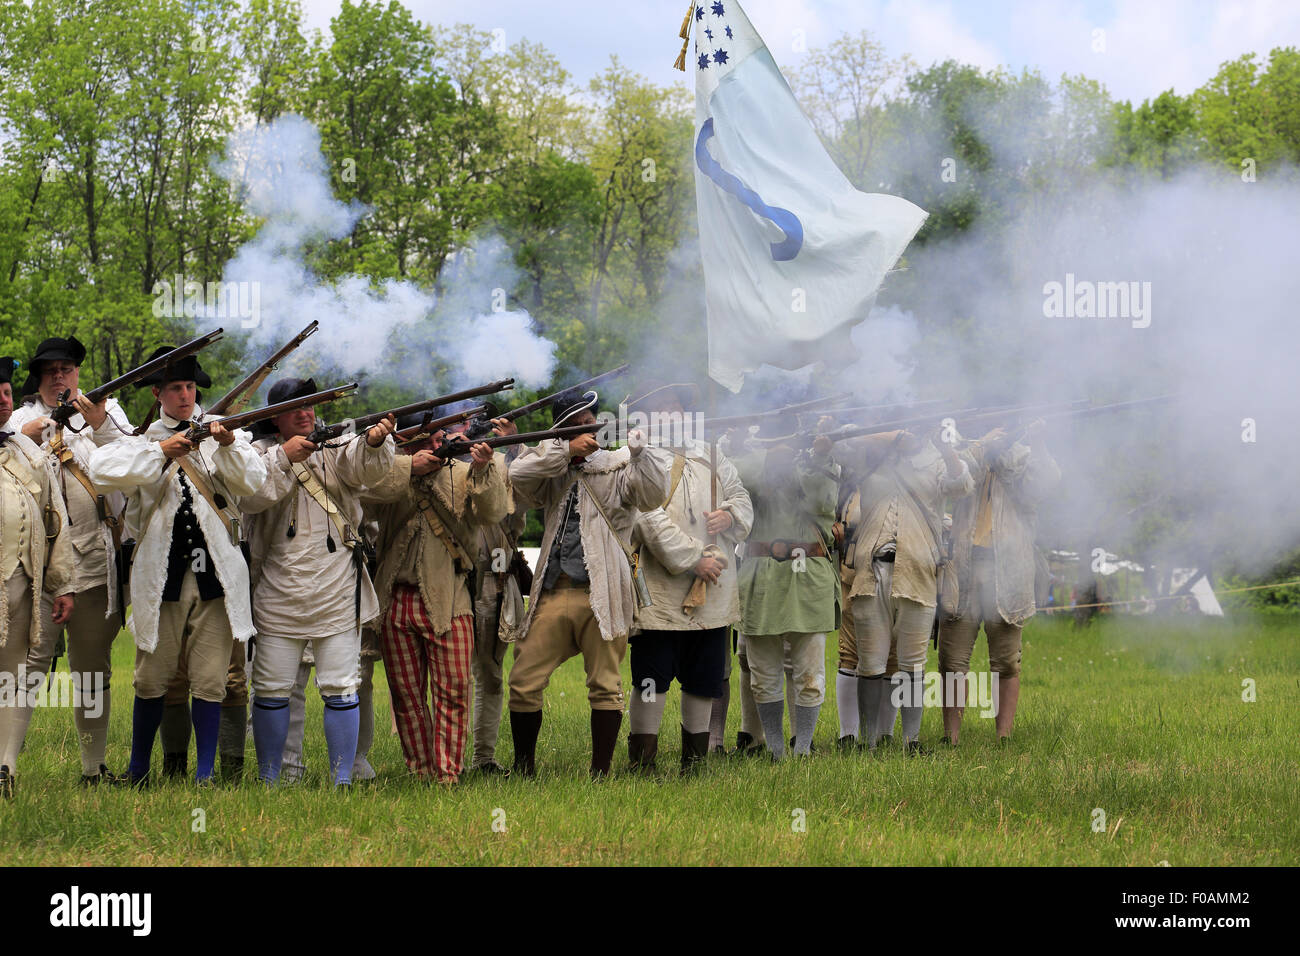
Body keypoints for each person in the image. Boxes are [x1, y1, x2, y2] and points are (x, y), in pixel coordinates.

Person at [88, 348, 266, 786]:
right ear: (158, 392)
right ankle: (138, 770)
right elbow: (102, 471)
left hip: (216, 579)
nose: (185, 395)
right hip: (160, 578)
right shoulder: (143, 441)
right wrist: (162, 451)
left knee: (210, 682)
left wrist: (224, 445)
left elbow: (254, 482)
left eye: (189, 387)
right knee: (151, 680)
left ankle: (204, 775)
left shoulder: (226, 436)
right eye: (175, 388)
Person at [239, 377, 395, 788]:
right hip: (277, 590)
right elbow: (252, 493)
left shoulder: (336, 445)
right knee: (272, 688)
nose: (307, 413)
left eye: (311, 406)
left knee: (343, 686)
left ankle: (342, 777)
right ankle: (273, 777)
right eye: (297, 408)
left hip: (336, 589)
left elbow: (363, 467)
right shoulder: (257, 454)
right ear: (275, 417)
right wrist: (284, 458)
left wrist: (375, 441)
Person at [506, 393, 667, 778]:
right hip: (554, 591)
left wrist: (641, 453)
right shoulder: (552, 466)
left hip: (605, 593)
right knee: (523, 680)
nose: (587, 431)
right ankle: (523, 769)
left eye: (589, 423)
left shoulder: (618, 464)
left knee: (605, 684)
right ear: (561, 434)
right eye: (576, 426)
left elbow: (651, 495)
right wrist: (564, 450)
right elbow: (516, 475)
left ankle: (601, 772)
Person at [8, 338, 134, 785]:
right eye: (50, 371)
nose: (59, 377)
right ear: (39, 379)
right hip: (40, 566)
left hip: (97, 560)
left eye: (66, 369)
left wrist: (97, 425)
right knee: (25, 665)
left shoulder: (106, 412)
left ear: (78, 373)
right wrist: (32, 434)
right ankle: (6, 765)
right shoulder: (20, 420)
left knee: (93, 666)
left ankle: (92, 767)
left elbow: (134, 465)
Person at [363, 418, 506, 785]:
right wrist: (410, 464)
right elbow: (369, 492)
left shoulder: (462, 472)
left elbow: (491, 513)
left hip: (451, 596)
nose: (430, 446)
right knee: (406, 694)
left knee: (454, 689)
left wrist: (483, 467)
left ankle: (447, 773)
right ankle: (421, 770)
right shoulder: (391, 468)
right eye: (418, 442)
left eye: (436, 439)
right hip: (396, 596)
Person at [625, 383, 752, 774]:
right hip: (661, 588)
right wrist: (695, 558)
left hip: (712, 590)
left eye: (676, 408)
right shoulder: (635, 458)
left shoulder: (712, 455)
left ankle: (693, 763)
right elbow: (646, 517)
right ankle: (643, 765)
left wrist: (730, 516)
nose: (671, 415)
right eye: (661, 409)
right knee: (651, 679)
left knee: (703, 679)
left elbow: (742, 497)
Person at [846, 428, 973, 753]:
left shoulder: (935, 460)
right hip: (871, 571)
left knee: (913, 663)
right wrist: (890, 438)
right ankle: (868, 742)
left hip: (917, 572)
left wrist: (947, 451)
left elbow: (961, 485)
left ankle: (910, 740)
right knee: (871, 663)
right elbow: (843, 446)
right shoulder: (874, 455)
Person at [939, 422, 1059, 744]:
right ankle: (951, 739)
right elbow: (953, 480)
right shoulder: (971, 454)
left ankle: (1003, 738)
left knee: (1006, 662)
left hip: (1008, 572)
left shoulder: (1024, 460)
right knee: (952, 662)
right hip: (963, 568)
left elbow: (1043, 485)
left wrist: (1034, 445)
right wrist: (983, 447)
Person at [730, 418, 841, 759]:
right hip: (761, 576)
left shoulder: (818, 466)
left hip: (808, 577)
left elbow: (823, 501)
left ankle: (803, 748)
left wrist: (818, 455)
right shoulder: (746, 464)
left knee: (809, 672)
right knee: (763, 673)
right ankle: (777, 751)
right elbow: (739, 479)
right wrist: (768, 455)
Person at [0, 356, 75, 798]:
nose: (2, 402)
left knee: (11, 677)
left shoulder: (29, 452)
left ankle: (4, 767)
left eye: (6, 393)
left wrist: (61, 583)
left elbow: (55, 519)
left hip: (21, 587)